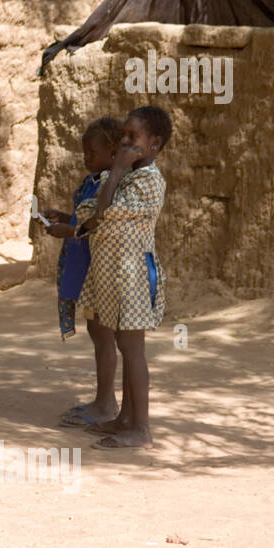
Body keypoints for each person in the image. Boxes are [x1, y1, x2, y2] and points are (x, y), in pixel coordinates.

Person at [75, 106, 171, 451]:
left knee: (133, 350)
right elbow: (87, 213)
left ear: (155, 145)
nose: (125, 143)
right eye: (123, 137)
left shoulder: (147, 181)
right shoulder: (128, 178)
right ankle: (126, 418)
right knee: (121, 344)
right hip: (111, 273)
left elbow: (102, 213)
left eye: (132, 137)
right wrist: (116, 175)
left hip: (132, 275)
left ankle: (141, 428)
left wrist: (115, 167)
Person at [39, 117, 124, 429]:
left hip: (100, 268)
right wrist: (64, 219)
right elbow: (85, 220)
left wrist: (70, 230)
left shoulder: (111, 185)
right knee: (96, 332)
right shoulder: (95, 182)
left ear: (113, 153)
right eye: (84, 152)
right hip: (88, 266)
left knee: (103, 335)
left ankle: (105, 404)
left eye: (92, 152)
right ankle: (104, 400)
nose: (86, 158)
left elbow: (102, 225)